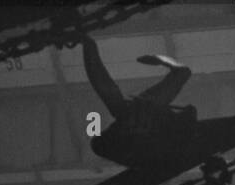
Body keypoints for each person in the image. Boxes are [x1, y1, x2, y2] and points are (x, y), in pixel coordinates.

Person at [82, 36, 200, 169]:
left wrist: (89, 46)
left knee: (126, 107)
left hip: (144, 138)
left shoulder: (136, 113)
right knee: (129, 107)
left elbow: (102, 81)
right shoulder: (146, 111)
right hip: (149, 136)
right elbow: (102, 82)